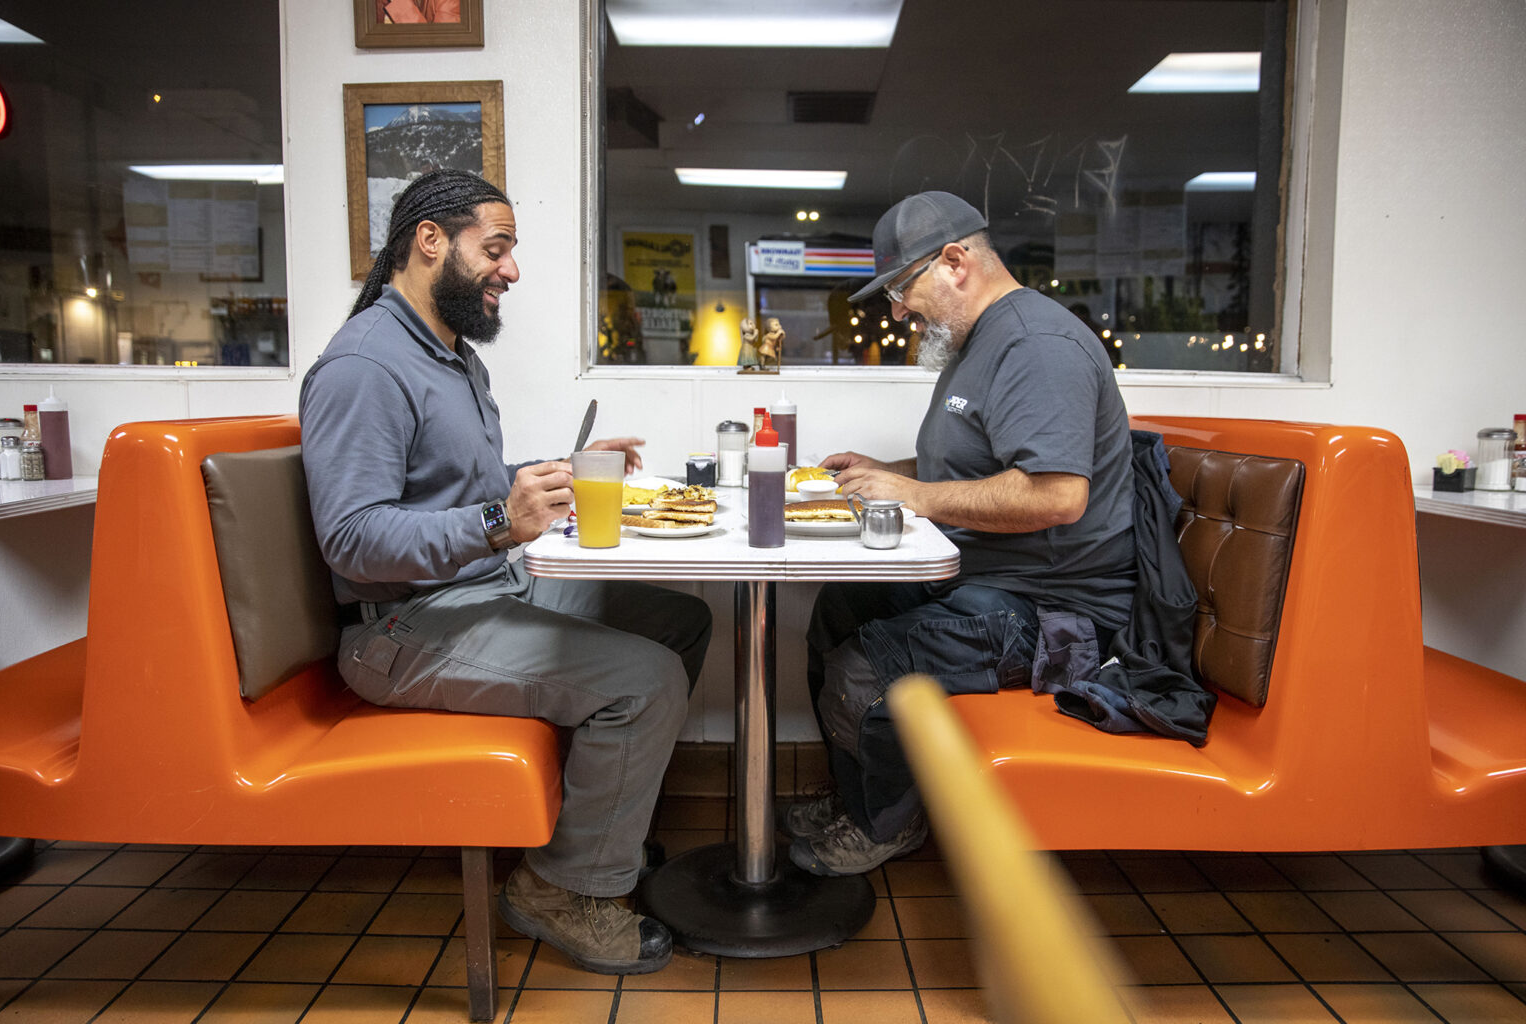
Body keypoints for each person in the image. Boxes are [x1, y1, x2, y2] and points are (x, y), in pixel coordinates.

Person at [299, 169, 712, 974]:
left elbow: (463, 490)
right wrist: (499, 523)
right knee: (648, 680)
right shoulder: (364, 367)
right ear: (429, 241)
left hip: (479, 592)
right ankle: (561, 890)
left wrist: (556, 471)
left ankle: (600, 833)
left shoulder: (449, 358)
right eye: (496, 249)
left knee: (677, 618)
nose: (511, 271)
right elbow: (349, 539)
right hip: (402, 630)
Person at [788, 191, 1136, 877]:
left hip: (1056, 609)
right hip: (988, 577)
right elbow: (983, 466)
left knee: (869, 664)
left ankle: (885, 825)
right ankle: (856, 798)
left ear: (954, 262)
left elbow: (1057, 494)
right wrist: (887, 472)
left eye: (900, 289)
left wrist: (913, 494)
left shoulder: (1037, 345)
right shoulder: (981, 341)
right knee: (838, 611)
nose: (895, 311)